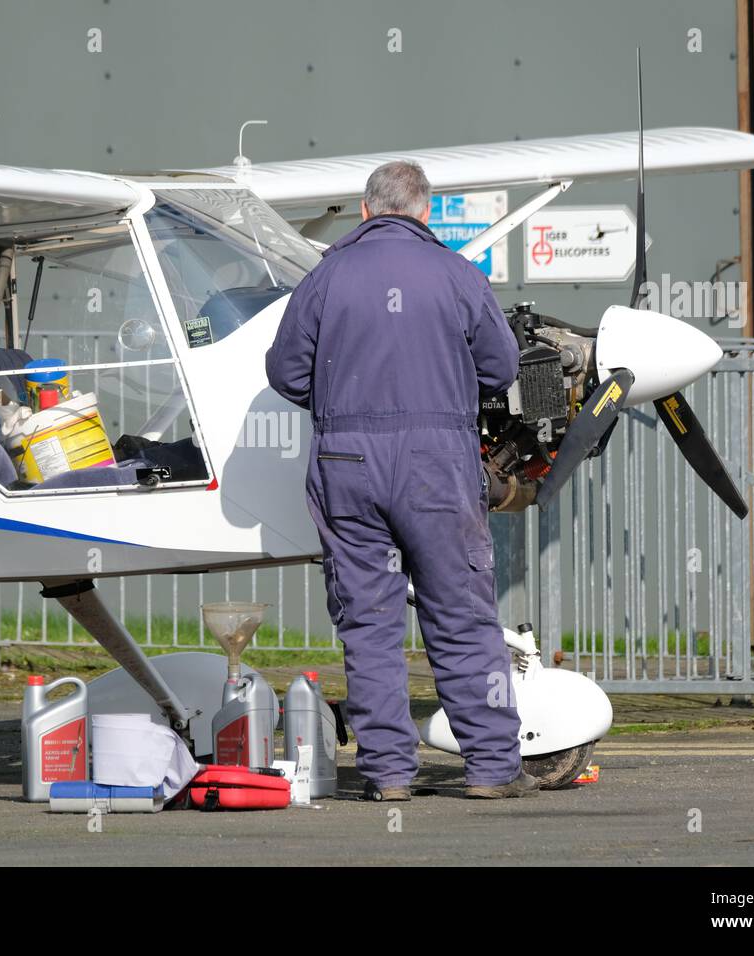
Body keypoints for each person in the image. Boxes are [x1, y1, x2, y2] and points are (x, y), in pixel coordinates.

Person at [265, 160, 535, 800]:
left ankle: (388, 774)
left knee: (370, 623)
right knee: (462, 618)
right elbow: (499, 367)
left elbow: (285, 372)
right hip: (437, 463)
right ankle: (493, 770)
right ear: (424, 212)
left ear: (364, 210)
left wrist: (344, 407)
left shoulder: (326, 276)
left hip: (346, 464)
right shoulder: (457, 274)